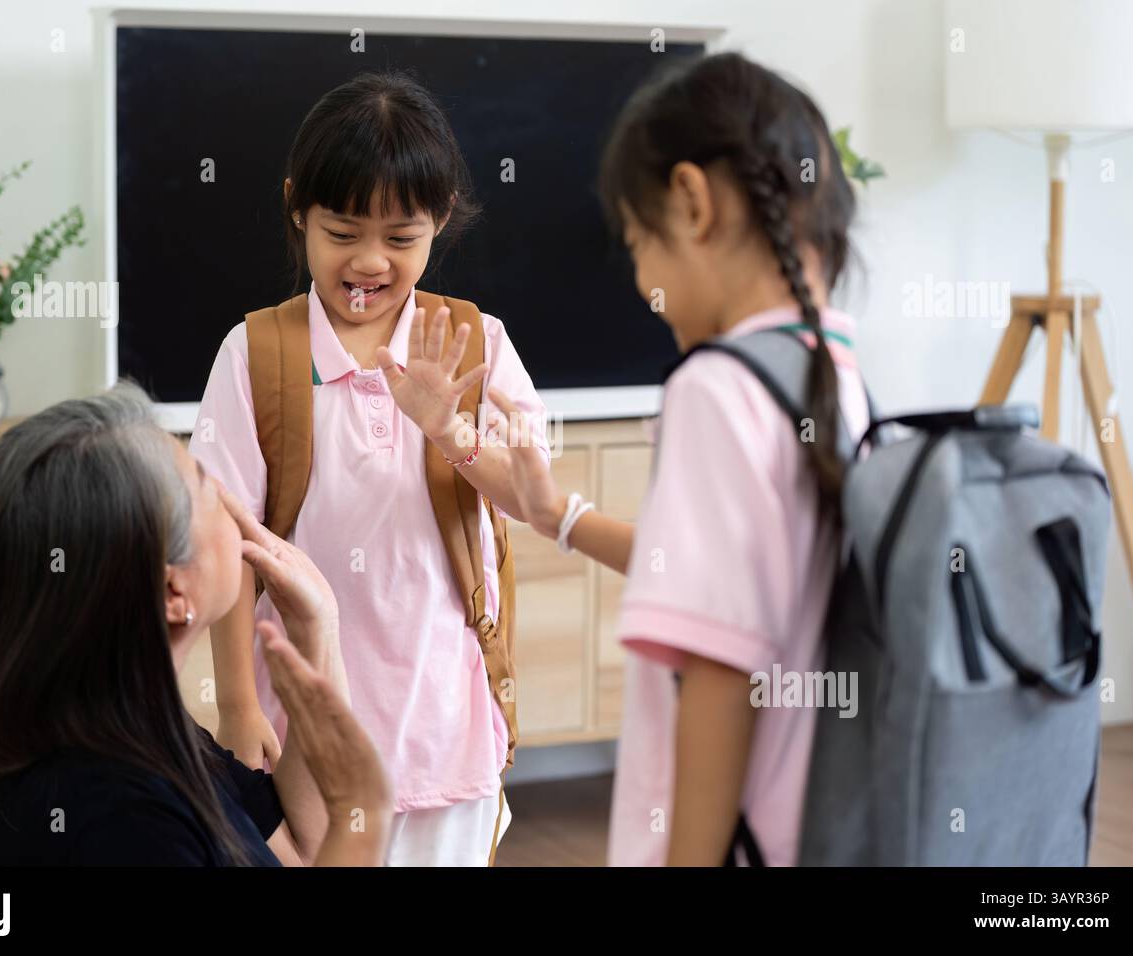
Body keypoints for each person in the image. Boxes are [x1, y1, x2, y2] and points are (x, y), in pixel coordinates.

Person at [490, 51, 870, 866]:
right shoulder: (835, 370)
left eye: (635, 244)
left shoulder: (714, 391)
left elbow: (719, 671)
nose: (640, 280)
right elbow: (736, 582)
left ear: (692, 202)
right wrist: (558, 514)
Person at [191, 70, 550, 866]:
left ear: (441, 220)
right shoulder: (254, 356)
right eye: (343, 231)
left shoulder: (477, 342)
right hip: (308, 732)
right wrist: (240, 706)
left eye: (400, 238)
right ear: (298, 210)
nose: (369, 262)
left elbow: (531, 498)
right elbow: (227, 543)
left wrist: (449, 427)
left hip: (449, 723)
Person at [0, 384, 391, 866]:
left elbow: (302, 849)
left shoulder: (132, 729)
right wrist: (361, 820)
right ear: (173, 593)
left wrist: (317, 630)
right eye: (207, 487)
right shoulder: (129, 824)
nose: (233, 506)